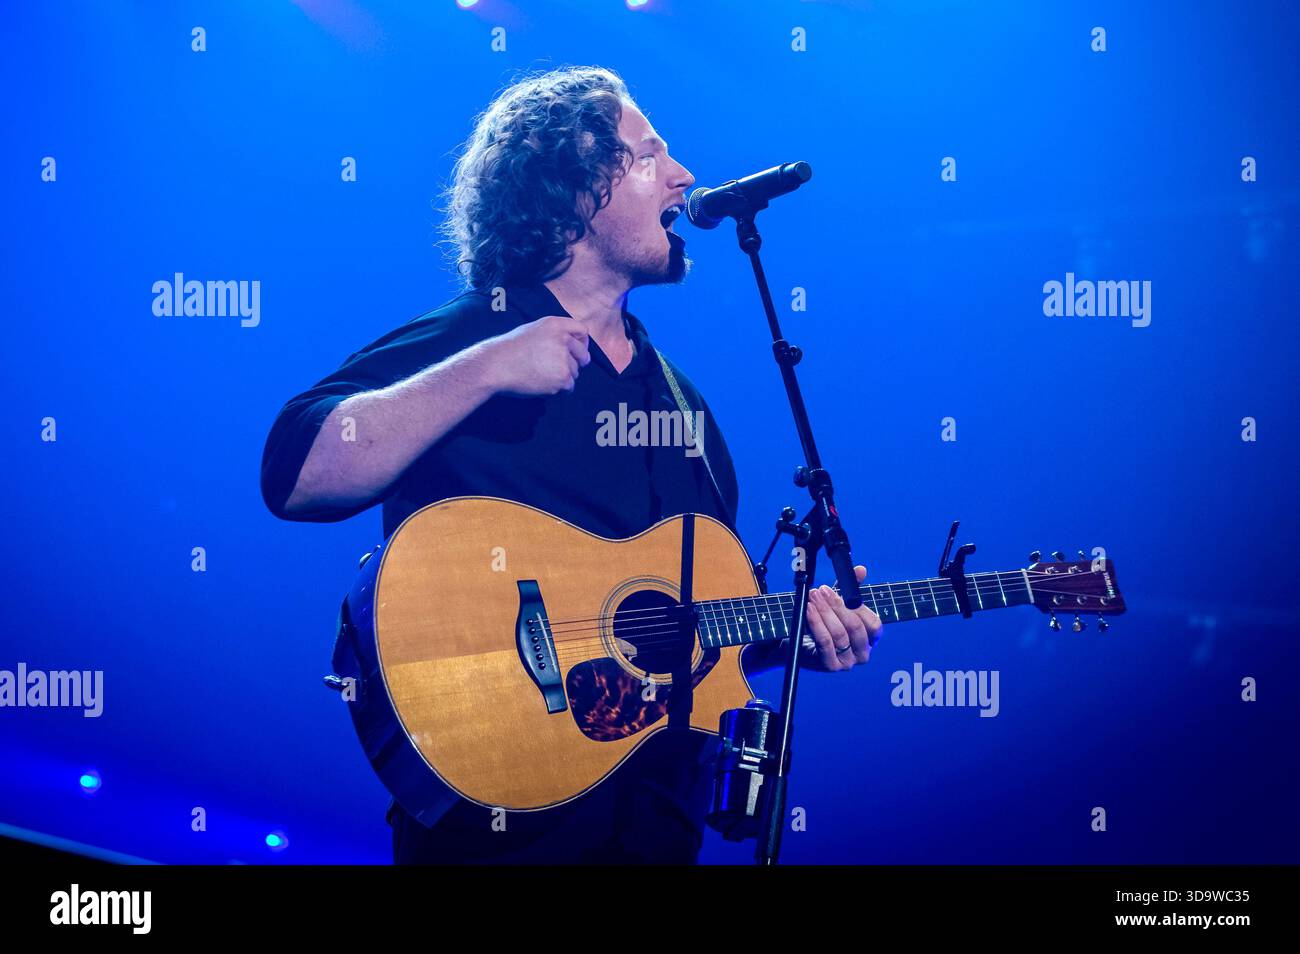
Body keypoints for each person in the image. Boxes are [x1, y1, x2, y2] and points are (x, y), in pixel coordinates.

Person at [260, 66, 882, 864]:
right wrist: (486, 368)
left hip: (655, 829)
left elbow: (675, 637)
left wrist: (794, 631)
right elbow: (296, 473)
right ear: (573, 186)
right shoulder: (480, 334)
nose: (685, 176)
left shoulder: (685, 412)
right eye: (651, 154)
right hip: (493, 828)